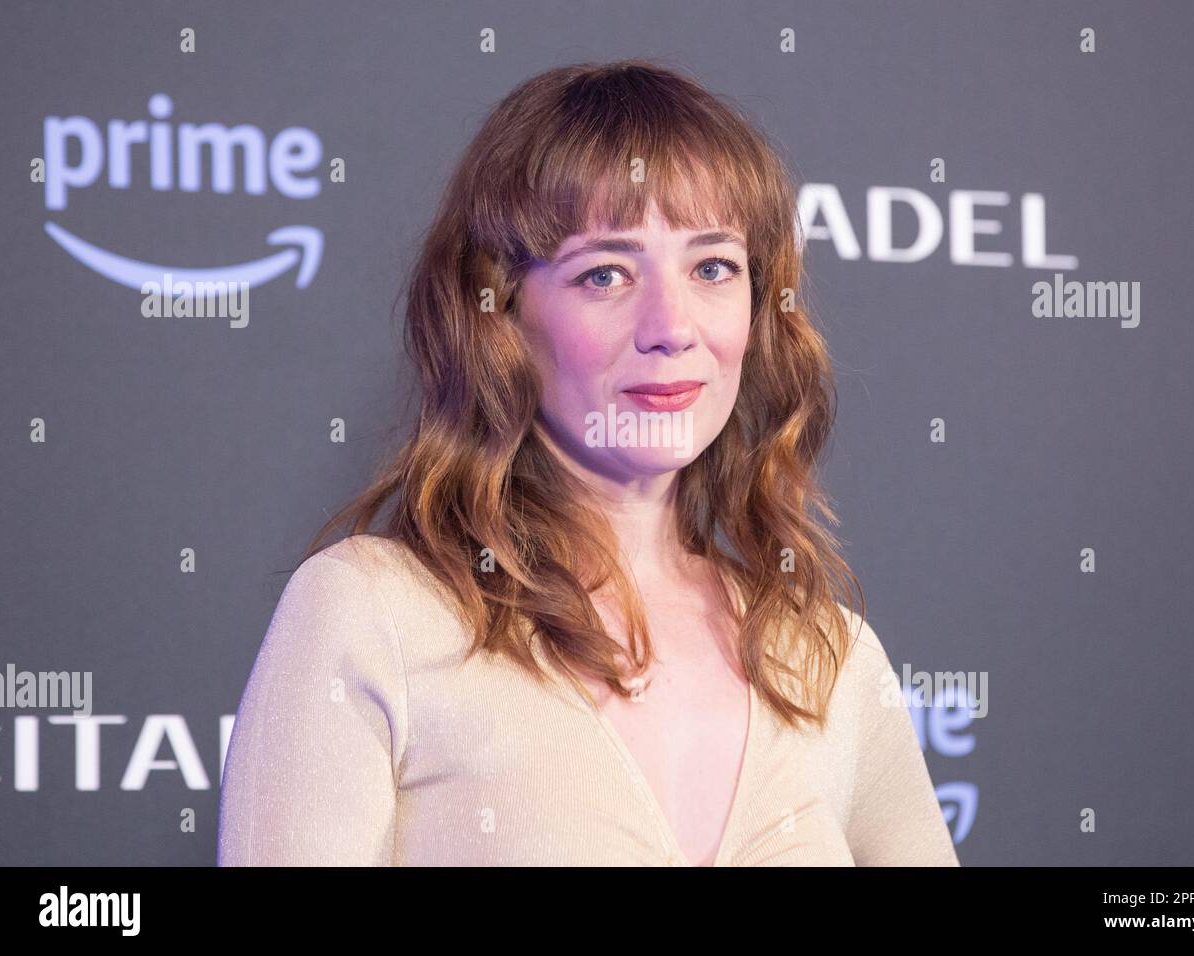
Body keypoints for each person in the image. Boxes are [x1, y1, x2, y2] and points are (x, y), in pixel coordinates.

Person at [217, 59, 960, 867]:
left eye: (713, 267)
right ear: (498, 316)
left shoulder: (829, 655)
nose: (671, 327)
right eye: (605, 273)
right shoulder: (369, 614)